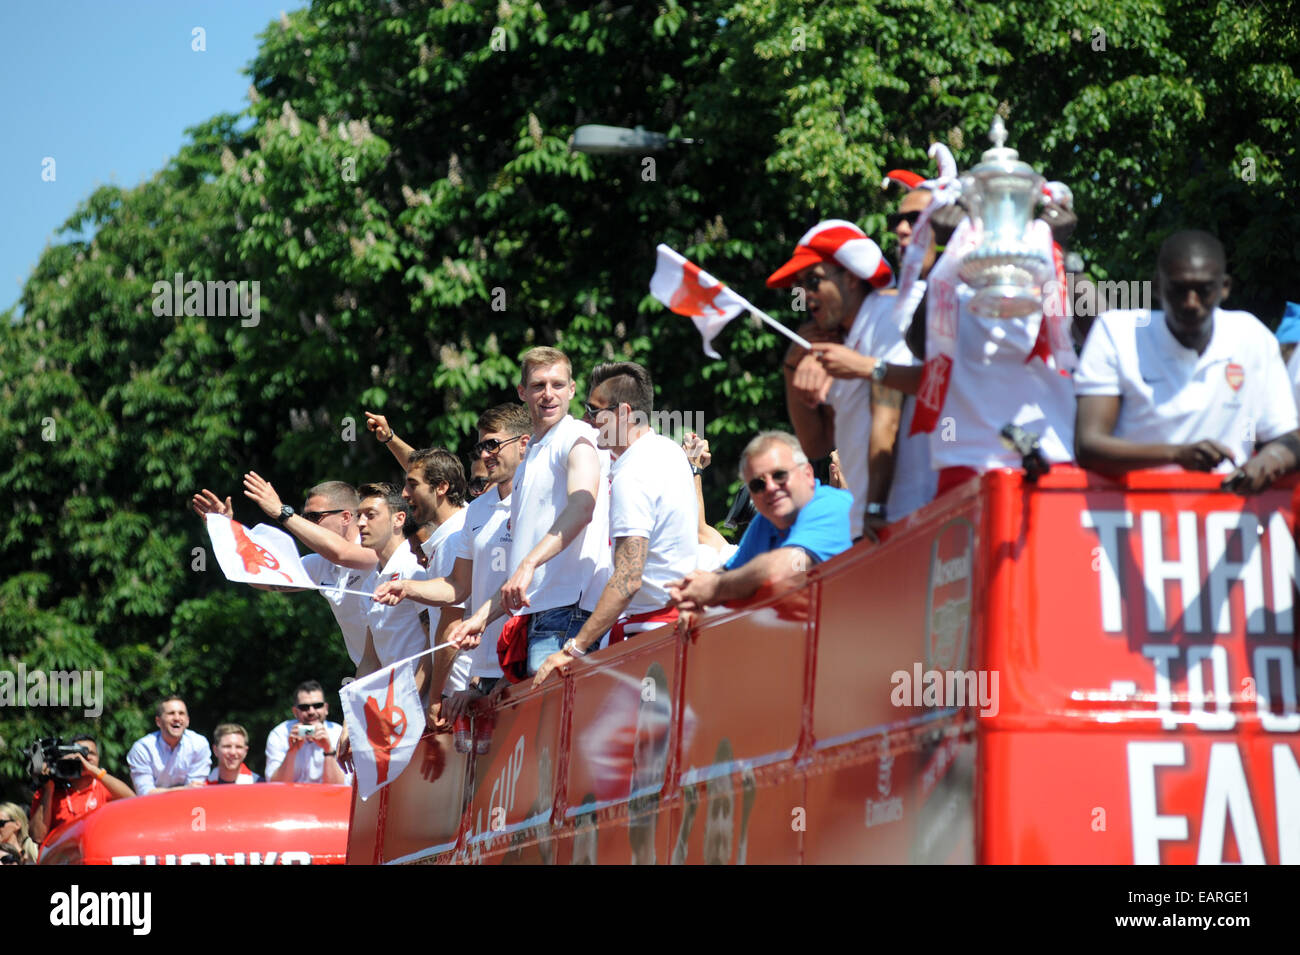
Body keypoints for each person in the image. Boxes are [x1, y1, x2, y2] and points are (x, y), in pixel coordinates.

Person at [1075, 230, 1300, 492]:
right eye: (1179, 290)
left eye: (1203, 290)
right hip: (1128, 515)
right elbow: (1088, 446)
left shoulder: (1252, 337)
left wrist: (1269, 460)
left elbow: (1289, 436)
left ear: (1224, 287)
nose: (1191, 303)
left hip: (1223, 513)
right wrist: (1176, 455)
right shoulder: (1117, 333)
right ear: (1158, 286)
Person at [447, 347, 612, 679]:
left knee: (558, 726)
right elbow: (521, 569)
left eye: (558, 384)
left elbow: (583, 507)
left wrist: (528, 563)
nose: (549, 394)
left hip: (568, 613)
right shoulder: (531, 457)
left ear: (573, 390)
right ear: (522, 391)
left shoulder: (578, 438)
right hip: (535, 614)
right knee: (544, 727)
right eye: (538, 385)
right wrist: (480, 617)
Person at [532, 363, 697, 685]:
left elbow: (627, 578)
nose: (587, 422)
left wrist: (572, 649)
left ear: (622, 412)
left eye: (594, 412)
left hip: (651, 635)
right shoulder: (668, 451)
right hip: (670, 627)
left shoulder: (633, 473)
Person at [374, 403, 529, 723]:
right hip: (482, 672)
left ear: (525, 444)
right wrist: (406, 587)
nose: (485, 454)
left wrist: (436, 695)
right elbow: (456, 587)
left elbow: (432, 481)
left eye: (493, 445)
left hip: (523, 662)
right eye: (481, 446)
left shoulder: (539, 496)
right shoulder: (478, 510)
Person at [769, 220, 904, 541]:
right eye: (800, 286)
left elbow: (889, 417)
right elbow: (817, 444)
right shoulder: (839, 341)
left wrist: (875, 507)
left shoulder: (889, 315)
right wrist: (792, 366)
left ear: (852, 276)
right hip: (868, 522)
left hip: (902, 512)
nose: (805, 296)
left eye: (814, 281)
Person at [193, 480, 374, 669]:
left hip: (402, 669)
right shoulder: (319, 564)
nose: (307, 524)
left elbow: (341, 554)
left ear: (346, 517)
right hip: (371, 675)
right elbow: (257, 577)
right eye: (305, 517)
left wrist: (282, 511)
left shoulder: (375, 547)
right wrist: (226, 531)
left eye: (314, 517)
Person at [668, 431, 852, 612]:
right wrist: (693, 599)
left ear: (807, 474)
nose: (770, 488)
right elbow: (729, 573)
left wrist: (714, 587)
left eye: (780, 475)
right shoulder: (766, 523)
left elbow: (782, 569)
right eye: (758, 485)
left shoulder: (833, 506)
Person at [402, 448, 470, 701]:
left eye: (412, 485)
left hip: (460, 693)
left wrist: (436, 695)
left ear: (441, 487)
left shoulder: (454, 540)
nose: (404, 494)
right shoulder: (459, 529)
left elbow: (452, 622)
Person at [29, 734, 132, 843]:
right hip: (65, 857)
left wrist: (94, 771)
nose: (86, 757)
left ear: (98, 758)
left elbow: (133, 801)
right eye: (81, 753)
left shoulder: (105, 787)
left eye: (91, 753)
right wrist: (48, 789)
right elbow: (37, 837)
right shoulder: (49, 790)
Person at [265, 681, 347, 784]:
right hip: (290, 797)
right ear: (295, 712)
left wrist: (328, 751)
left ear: (326, 709)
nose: (311, 712)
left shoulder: (338, 733)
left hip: (327, 798)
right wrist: (292, 752)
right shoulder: (280, 734)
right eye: (304, 707)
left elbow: (340, 786)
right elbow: (275, 784)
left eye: (317, 705)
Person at [126, 696, 211, 794]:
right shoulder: (142, 749)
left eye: (181, 713)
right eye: (171, 713)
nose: (177, 718)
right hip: (153, 806)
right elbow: (145, 793)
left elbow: (195, 790)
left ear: (187, 721)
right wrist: (183, 789)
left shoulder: (199, 744)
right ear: (158, 721)